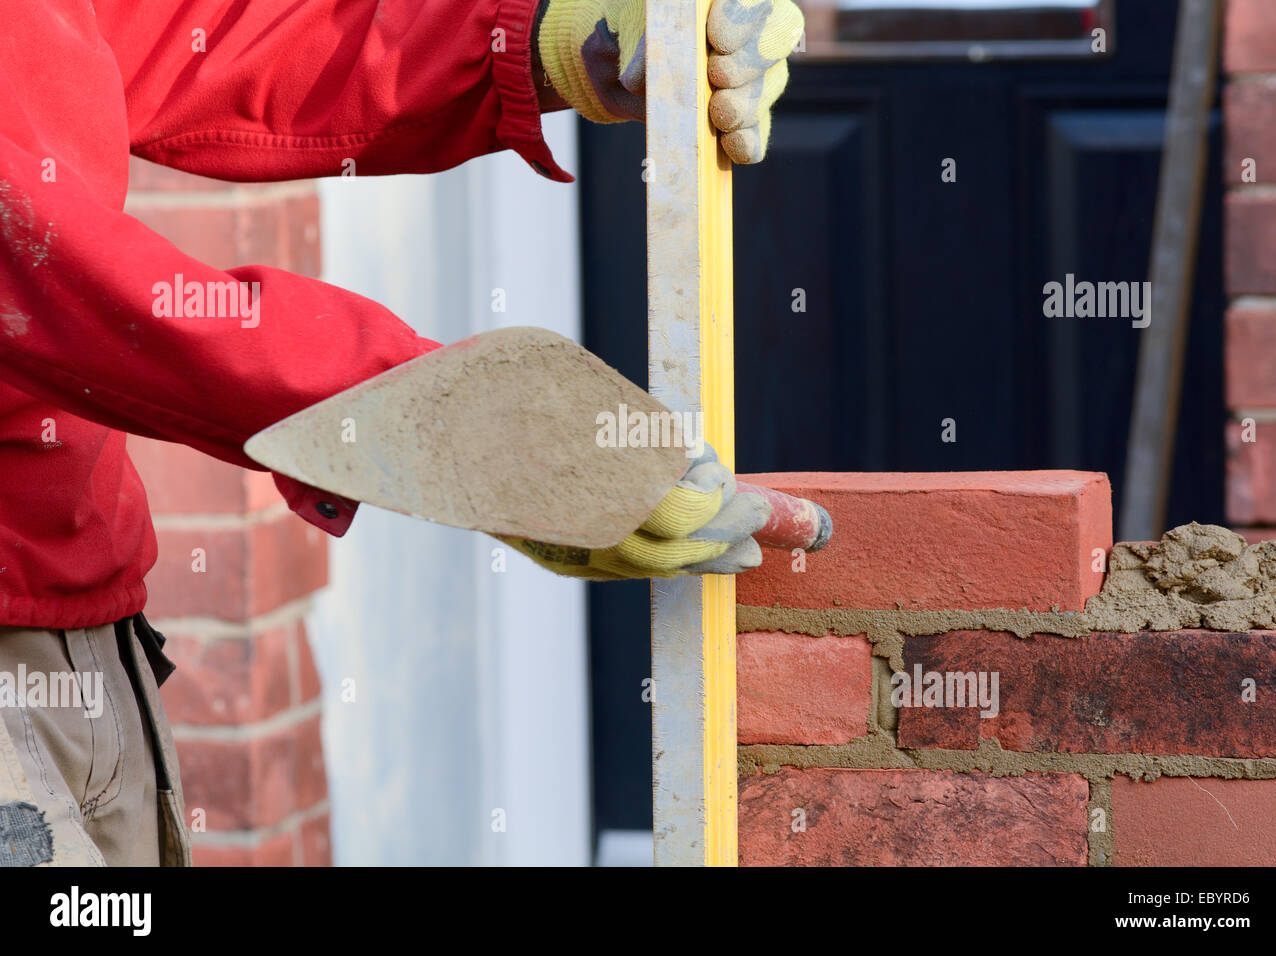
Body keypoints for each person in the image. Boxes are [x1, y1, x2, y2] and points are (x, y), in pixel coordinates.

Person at [0, 0, 803, 866]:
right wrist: (415, 411)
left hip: (85, 631)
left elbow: (184, 34)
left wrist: (545, 41)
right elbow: (30, 260)